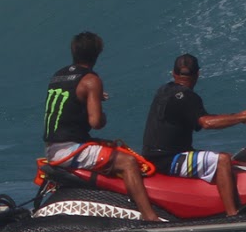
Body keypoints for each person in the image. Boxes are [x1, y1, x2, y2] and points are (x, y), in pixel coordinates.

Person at [42, 32, 161, 222]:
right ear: (97, 54)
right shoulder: (91, 80)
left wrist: (93, 98)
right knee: (128, 162)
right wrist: (99, 108)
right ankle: (150, 217)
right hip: (69, 150)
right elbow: (96, 123)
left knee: (111, 147)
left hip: (54, 147)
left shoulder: (58, 75)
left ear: (73, 51)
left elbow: (72, 102)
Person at [141, 54, 246, 218]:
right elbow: (207, 122)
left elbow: (199, 117)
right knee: (222, 160)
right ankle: (233, 214)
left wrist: (238, 116)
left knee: (225, 158)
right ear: (198, 74)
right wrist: (242, 118)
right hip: (168, 159)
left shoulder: (164, 90)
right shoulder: (188, 97)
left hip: (155, 156)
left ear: (173, 73)